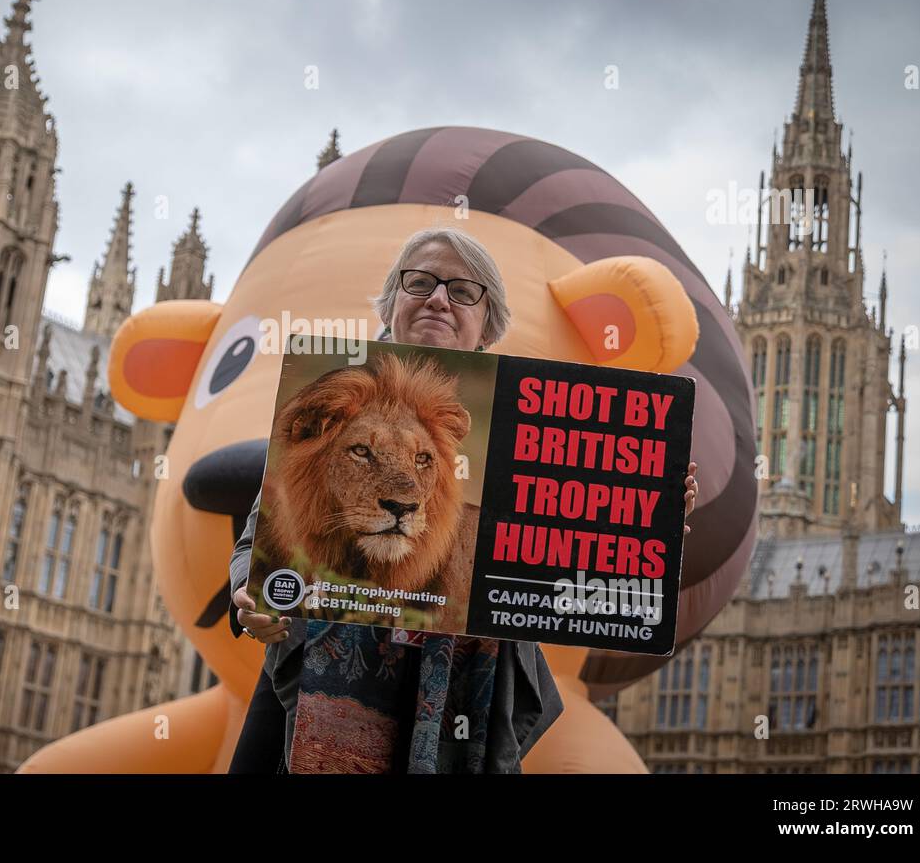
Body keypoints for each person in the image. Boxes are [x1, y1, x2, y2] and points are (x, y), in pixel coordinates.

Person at [227, 228, 699, 773]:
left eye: (462, 291)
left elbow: (572, 558)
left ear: (485, 325)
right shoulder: (323, 394)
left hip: (467, 684)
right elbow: (258, 536)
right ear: (393, 300)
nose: (438, 298)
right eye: (420, 282)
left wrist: (646, 516)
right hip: (320, 679)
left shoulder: (537, 415)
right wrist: (248, 593)